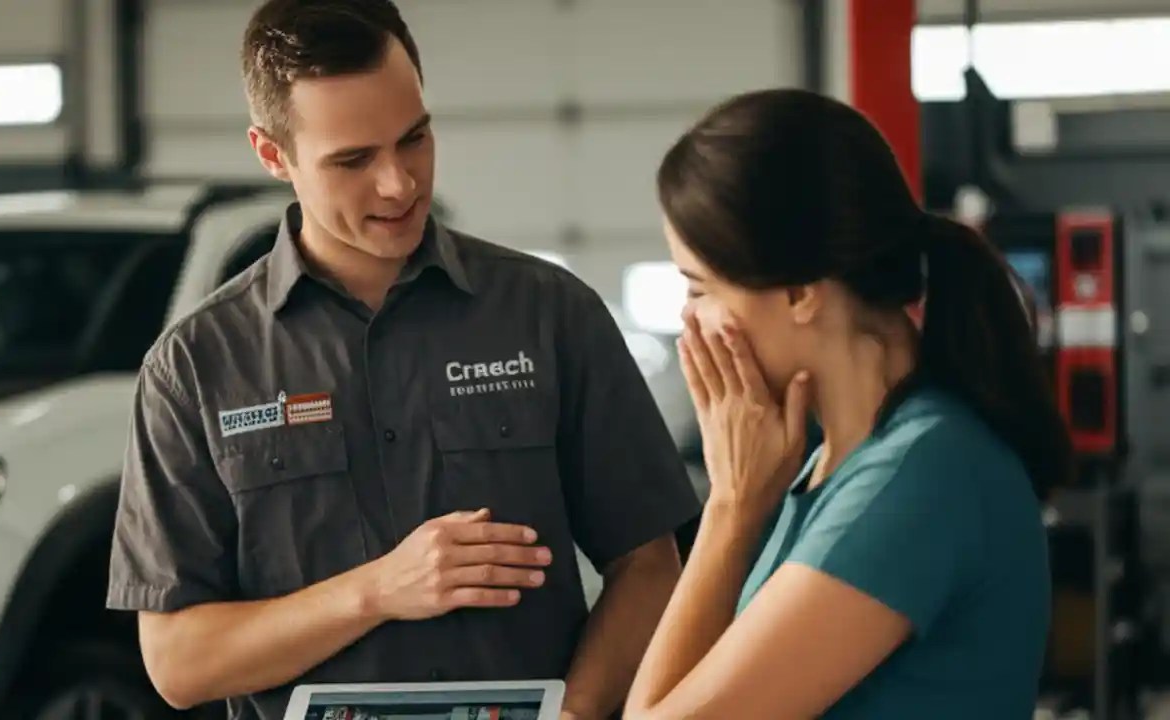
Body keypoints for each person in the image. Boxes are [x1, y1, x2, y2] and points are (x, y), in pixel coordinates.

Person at [104, 1, 701, 719]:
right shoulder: (194, 367)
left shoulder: (550, 315)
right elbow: (178, 662)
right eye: (353, 160)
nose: (400, 183)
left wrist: (575, 712)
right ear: (272, 154)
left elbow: (649, 563)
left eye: (414, 139)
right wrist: (379, 590)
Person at [623, 89, 1070, 719]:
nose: (689, 319)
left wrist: (728, 507)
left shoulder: (920, 475)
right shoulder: (827, 465)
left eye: (700, 287)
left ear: (802, 291)